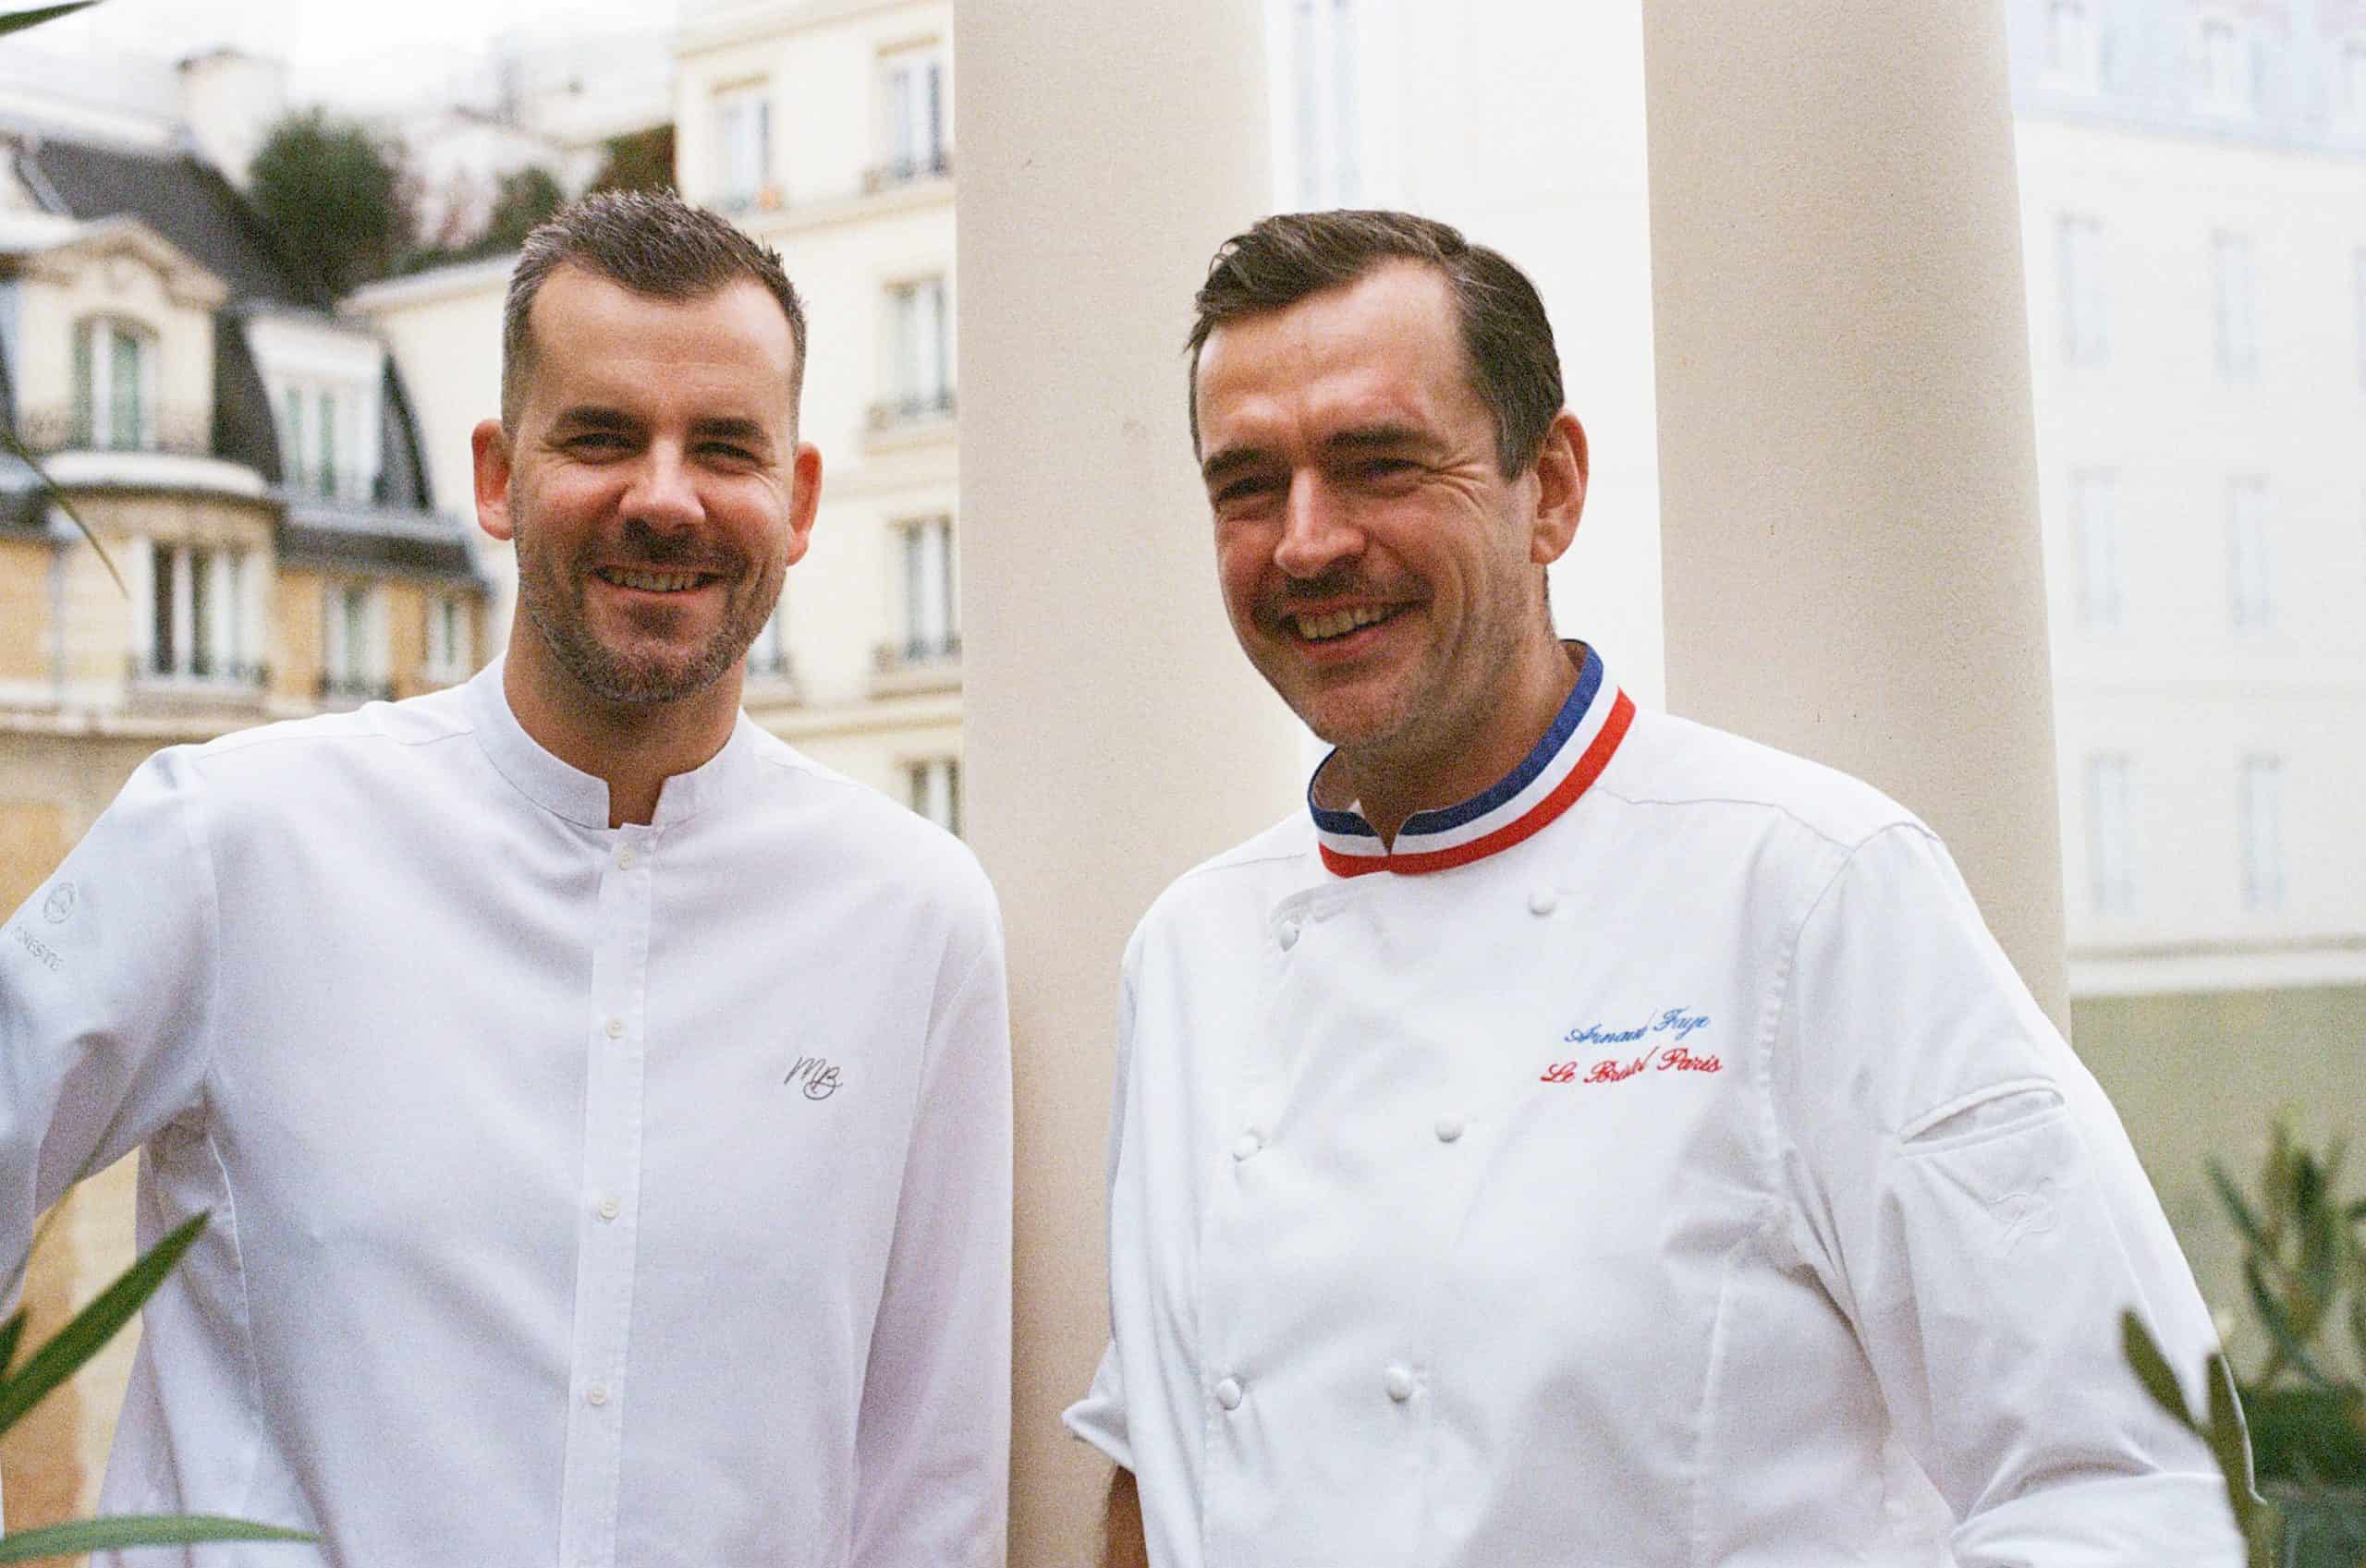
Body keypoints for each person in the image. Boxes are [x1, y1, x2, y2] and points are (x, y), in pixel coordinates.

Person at [1064, 210, 2240, 1566]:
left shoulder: (1810, 890)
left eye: (1377, 462)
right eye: (1247, 487)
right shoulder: (1189, 951)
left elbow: (2135, 1476)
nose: (1307, 542)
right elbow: (1160, 1468)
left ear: (1550, 485)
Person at [0, 191, 1010, 1566]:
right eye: (601, 436)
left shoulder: (917, 917)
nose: (665, 496)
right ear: (495, 473)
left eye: (724, 446)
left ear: (801, 498)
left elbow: (926, 1487)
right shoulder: (231, 838)